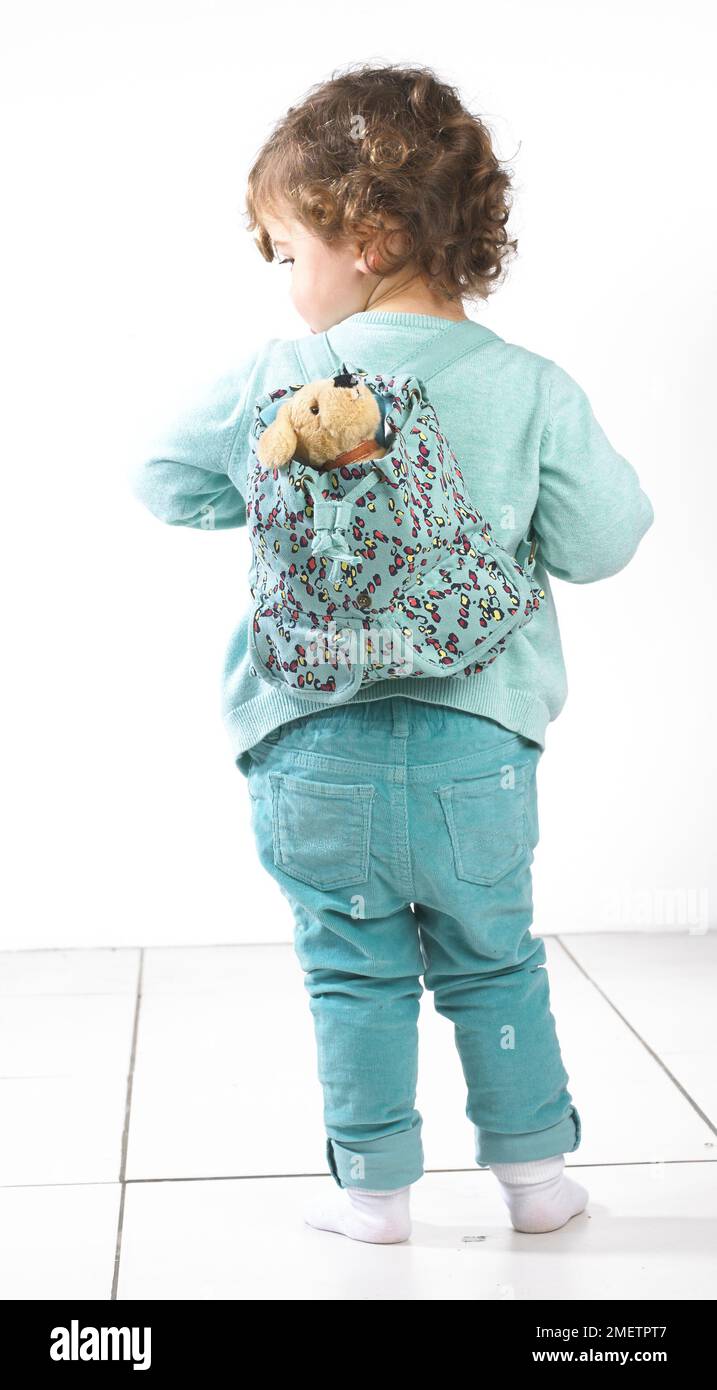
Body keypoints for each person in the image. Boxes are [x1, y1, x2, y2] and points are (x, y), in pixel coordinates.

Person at [131, 63, 654, 1245]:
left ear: (365, 237)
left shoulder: (279, 379)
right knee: (493, 957)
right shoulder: (529, 387)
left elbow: (158, 475)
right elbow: (606, 538)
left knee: (351, 969)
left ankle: (372, 1194)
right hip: (479, 757)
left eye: (287, 250)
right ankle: (537, 1184)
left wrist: (265, 493)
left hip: (310, 751)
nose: (285, 280)